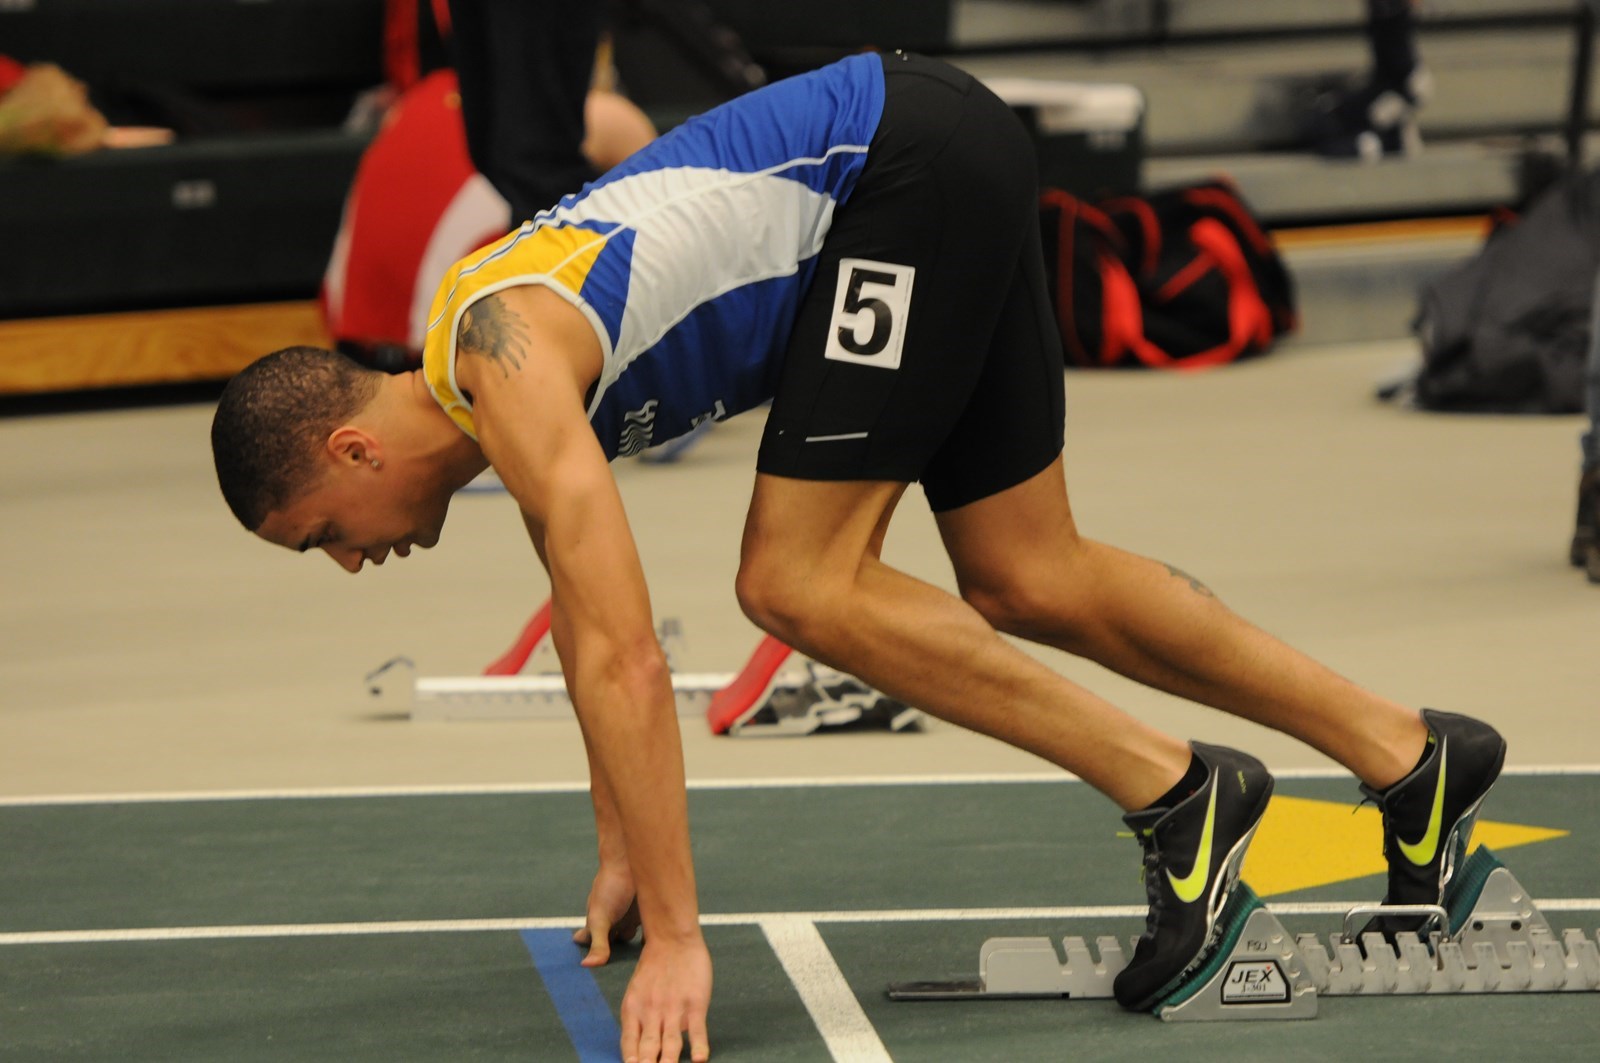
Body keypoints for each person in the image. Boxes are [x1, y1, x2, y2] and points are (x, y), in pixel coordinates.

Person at [212, 52, 1507, 1062]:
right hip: (923, 156)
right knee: (1024, 570)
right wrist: (622, 847)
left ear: (349, 450)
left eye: (320, 534)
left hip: (900, 167)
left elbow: (617, 649)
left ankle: (1181, 793)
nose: (344, 562)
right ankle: (1409, 753)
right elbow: (580, 610)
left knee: (794, 577)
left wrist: (677, 932)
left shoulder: (499, 353)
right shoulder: (482, 372)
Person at [1310, 0, 1431, 161]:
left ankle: (1383, 140)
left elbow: (1410, 81)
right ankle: (1385, 141)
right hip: (1387, 94)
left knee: (1332, 125)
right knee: (1330, 121)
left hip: (1394, 89)